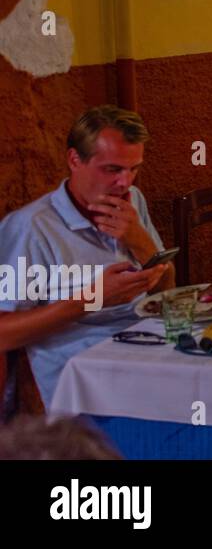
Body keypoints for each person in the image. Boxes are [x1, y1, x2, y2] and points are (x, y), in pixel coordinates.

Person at [0, 107, 172, 405]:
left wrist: (141, 243)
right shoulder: (32, 228)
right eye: (113, 169)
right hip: (84, 377)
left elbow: (167, 290)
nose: (125, 182)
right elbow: (4, 334)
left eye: (134, 169)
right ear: (74, 160)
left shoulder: (133, 202)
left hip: (148, 348)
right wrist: (93, 299)